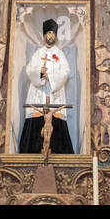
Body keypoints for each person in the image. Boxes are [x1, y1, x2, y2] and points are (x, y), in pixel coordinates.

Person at [18, 19, 74, 153]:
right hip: (38, 93)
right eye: (49, 33)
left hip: (54, 93)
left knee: (56, 120)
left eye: (53, 33)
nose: (51, 36)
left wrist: (51, 77)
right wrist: (40, 74)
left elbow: (66, 71)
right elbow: (29, 70)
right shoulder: (38, 53)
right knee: (36, 119)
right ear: (44, 35)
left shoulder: (59, 54)